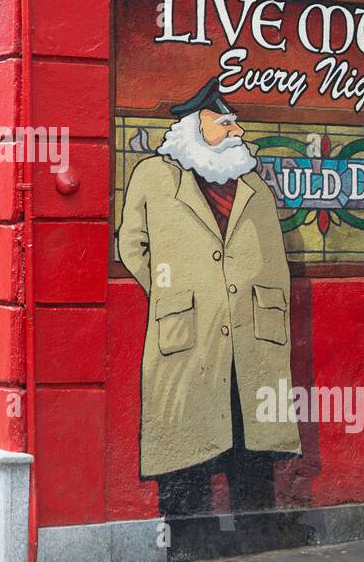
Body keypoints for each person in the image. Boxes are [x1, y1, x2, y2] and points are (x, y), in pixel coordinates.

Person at [117, 78, 300, 517]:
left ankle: (256, 539)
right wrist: (173, 293)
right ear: (195, 125)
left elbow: (272, 257)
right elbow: (131, 246)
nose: (237, 133)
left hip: (252, 335)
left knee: (251, 445)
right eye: (225, 123)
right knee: (186, 448)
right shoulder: (153, 176)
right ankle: (188, 544)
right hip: (187, 333)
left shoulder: (252, 184)